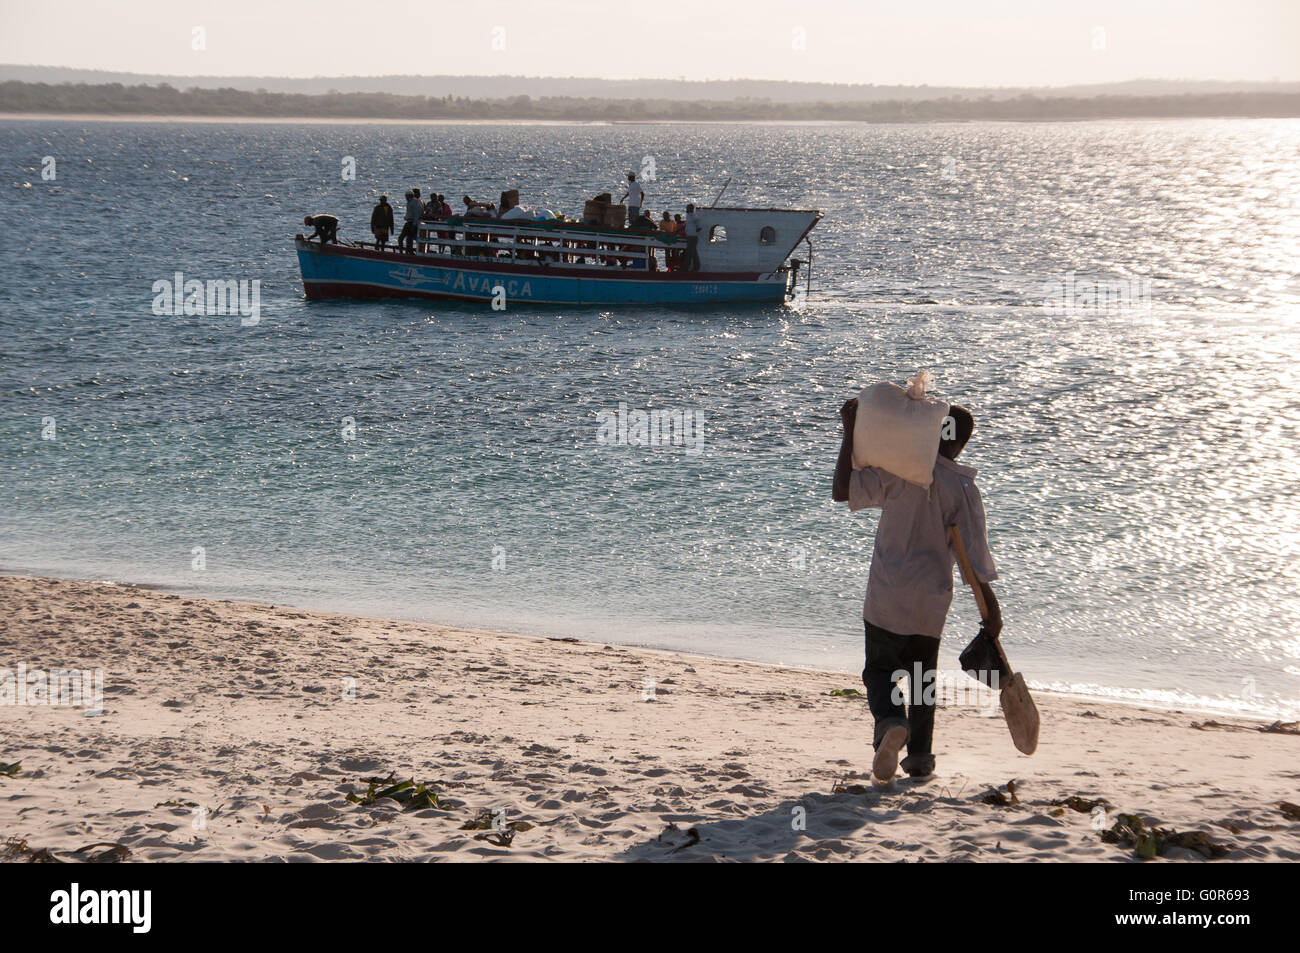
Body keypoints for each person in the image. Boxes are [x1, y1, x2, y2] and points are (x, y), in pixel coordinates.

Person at [831, 401, 999, 785]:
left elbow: (842, 491)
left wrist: (849, 428)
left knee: (879, 671)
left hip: (888, 595)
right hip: (931, 601)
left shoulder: (899, 471)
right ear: (962, 445)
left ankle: (892, 722)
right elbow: (974, 560)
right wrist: (992, 610)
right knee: (923, 677)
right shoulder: (964, 488)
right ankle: (920, 759)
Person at [682, 203, 701, 272]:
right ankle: (695, 267)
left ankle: (689, 267)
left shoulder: (693, 216)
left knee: (691, 252)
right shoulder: (688, 215)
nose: (686, 209)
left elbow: (698, 223)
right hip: (689, 236)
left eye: (687, 208)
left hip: (692, 236)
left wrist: (698, 228)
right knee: (693, 252)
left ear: (690, 209)